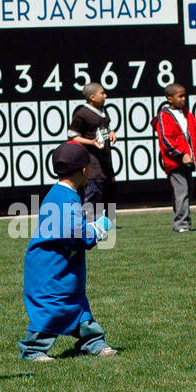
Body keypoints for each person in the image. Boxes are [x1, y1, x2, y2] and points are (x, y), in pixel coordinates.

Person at [18, 142, 118, 361]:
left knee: (78, 306)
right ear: (83, 170)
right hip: (49, 273)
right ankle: (33, 348)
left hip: (62, 270)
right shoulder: (62, 199)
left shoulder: (63, 195)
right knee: (50, 310)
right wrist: (101, 226)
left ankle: (93, 341)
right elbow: (77, 235)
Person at [154, 82, 196, 232]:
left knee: (187, 192)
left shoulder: (187, 114)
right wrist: (181, 154)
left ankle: (183, 223)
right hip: (174, 163)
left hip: (188, 162)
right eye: (180, 96)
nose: (183, 99)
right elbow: (166, 139)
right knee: (182, 192)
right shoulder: (163, 116)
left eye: (184, 96)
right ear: (169, 98)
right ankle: (181, 225)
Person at [69, 82, 118, 214]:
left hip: (105, 160)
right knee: (93, 192)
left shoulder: (103, 110)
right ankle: (88, 223)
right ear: (92, 97)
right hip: (92, 162)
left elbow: (104, 128)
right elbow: (72, 136)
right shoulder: (82, 113)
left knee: (109, 192)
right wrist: (91, 142)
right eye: (102, 93)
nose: (105, 96)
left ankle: (105, 224)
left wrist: (110, 133)